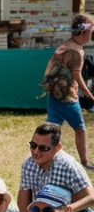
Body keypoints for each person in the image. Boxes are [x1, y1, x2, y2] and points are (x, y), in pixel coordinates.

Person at [39, 14, 94, 169]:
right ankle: (85, 162)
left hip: (54, 94)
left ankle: (43, 159)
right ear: (83, 32)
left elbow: (50, 67)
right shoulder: (77, 51)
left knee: (50, 129)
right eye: (91, 32)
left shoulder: (64, 46)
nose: (92, 35)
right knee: (80, 128)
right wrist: (89, 94)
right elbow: (77, 75)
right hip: (68, 97)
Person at [17, 122, 94, 212]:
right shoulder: (28, 164)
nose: (36, 151)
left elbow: (91, 197)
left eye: (43, 148)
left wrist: (65, 211)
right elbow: (23, 207)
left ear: (57, 148)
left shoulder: (68, 165)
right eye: (33, 145)